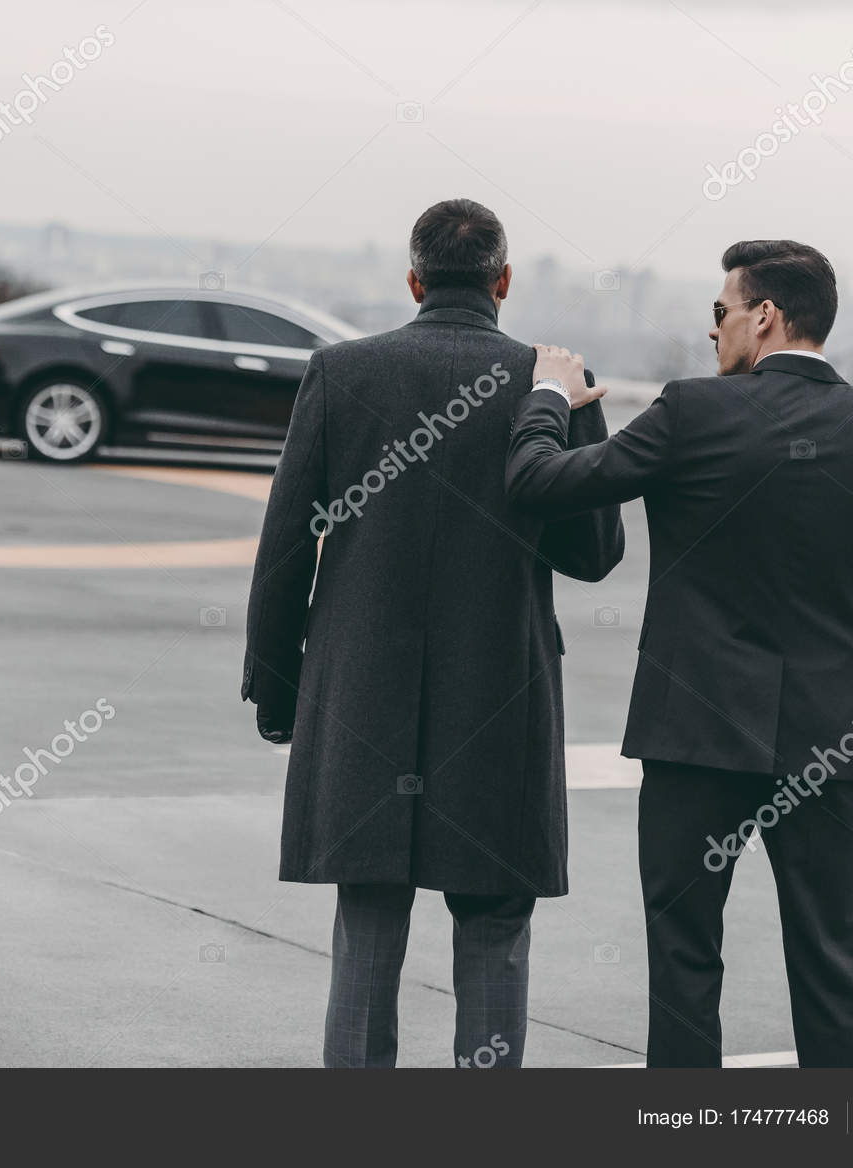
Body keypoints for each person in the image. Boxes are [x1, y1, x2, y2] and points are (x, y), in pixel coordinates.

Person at [506, 240, 853, 1068]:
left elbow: (538, 482)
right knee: (830, 973)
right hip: (824, 749)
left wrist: (551, 396)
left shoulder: (692, 412)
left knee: (683, 964)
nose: (711, 330)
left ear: (764, 316)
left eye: (720, 312)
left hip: (692, 737)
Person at [243, 198, 624, 1067]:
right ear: (505, 280)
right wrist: (568, 412)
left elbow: (284, 550)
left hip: (360, 699)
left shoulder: (341, 372)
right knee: (494, 931)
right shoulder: (550, 379)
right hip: (501, 697)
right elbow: (595, 554)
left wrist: (276, 694)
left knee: (367, 933)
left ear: (413, 279)